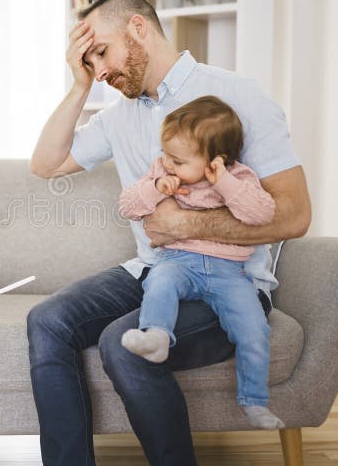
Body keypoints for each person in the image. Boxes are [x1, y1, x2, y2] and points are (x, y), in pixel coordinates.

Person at [28, 0, 311, 466]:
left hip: (228, 282)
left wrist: (185, 222)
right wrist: (78, 88)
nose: (99, 70)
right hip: (154, 270)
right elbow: (45, 164)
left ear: (138, 29)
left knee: (126, 346)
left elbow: (295, 215)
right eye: (88, 60)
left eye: (101, 52)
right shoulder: (118, 117)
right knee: (47, 320)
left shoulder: (238, 97)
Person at [118, 95, 283, 430]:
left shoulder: (240, 178)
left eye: (178, 160)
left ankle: (254, 401)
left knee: (254, 330)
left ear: (215, 161)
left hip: (229, 272)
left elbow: (262, 214)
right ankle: (157, 337)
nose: (167, 162)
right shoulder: (162, 171)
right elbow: (128, 206)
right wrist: (155, 187)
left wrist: (223, 182)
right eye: (166, 154)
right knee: (159, 282)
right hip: (178, 260)